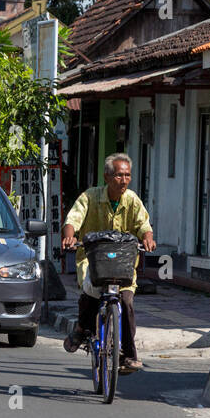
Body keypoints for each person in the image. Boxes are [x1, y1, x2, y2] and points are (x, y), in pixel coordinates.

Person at [61, 153, 157, 373]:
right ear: (107, 176)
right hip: (92, 260)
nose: (123, 180)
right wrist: (70, 235)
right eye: (118, 175)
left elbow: (144, 224)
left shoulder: (132, 200)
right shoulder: (90, 197)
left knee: (126, 302)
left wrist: (148, 238)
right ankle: (82, 327)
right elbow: (73, 219)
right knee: (91, 294)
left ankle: (129, 355)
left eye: (127, 175)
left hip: (122, 264)